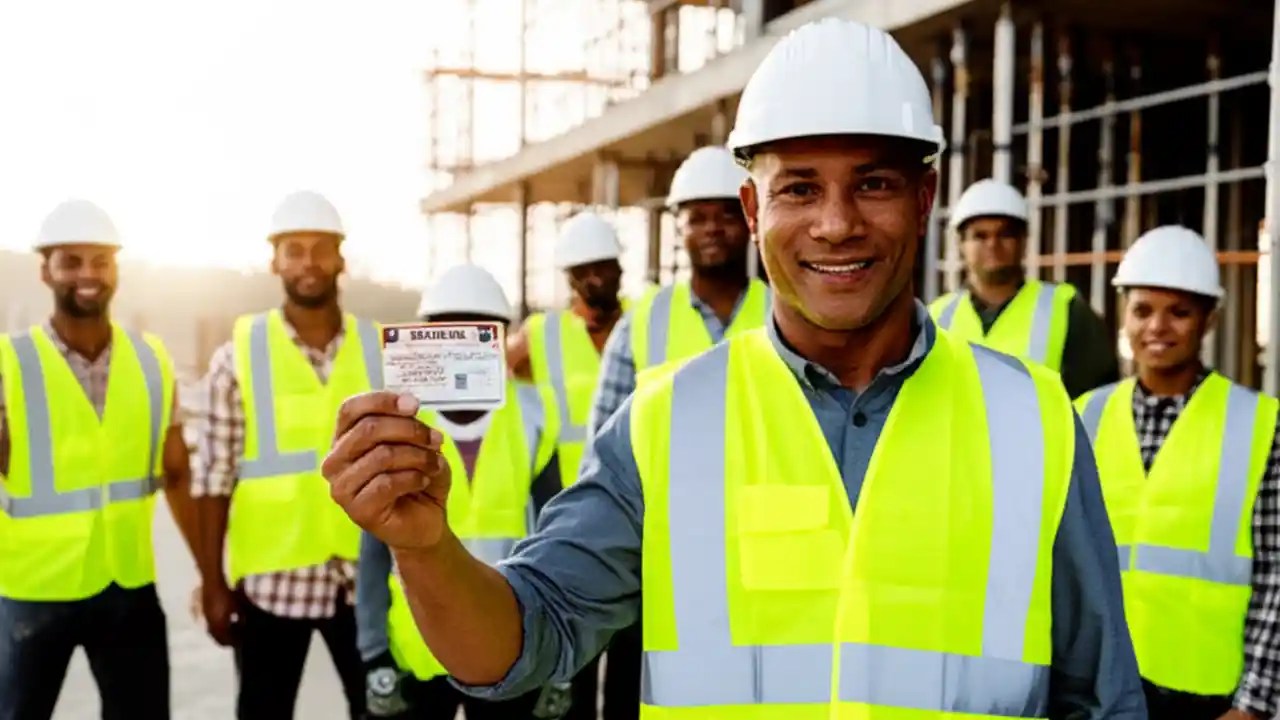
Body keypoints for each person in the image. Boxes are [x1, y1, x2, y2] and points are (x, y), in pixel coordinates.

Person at [321, 18, 1147, 718]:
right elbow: (515, 646)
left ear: (926, 198)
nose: (835, 224)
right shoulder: (663, 422)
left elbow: (1102, 698)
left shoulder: (1031, 417)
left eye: (874, 183)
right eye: (799, 189)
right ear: (754, 210)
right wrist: (425, 549)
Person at [0, 199, 198, 720]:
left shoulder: (152, 358)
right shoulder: (8, 362)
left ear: (116, 269)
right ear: (45, 271)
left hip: (127, 586)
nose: (88, 275)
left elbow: (177, 474)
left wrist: (212, 577)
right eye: (72, 261)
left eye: (100, 261)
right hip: (32, 591)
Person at [1075, 226, 1280, 720]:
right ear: (1124, 315)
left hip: (1206, 697)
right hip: (1095, 687)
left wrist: (1253, 704)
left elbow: (1276, 573)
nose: (1157, 328)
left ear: (1208, 320)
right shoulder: (1084, 415)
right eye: (1142, 310)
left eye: (1179, 312)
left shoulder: (1259, 424)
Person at [192, 190, 382, 719]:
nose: (308, 262)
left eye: (321, 249)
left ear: (341, 258)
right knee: (263, 711)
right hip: (273, 582)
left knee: (382, 712)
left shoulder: (380, 349)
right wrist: (212, 584)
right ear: (274, 260)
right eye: (294, 250)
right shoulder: (239, 354)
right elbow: (213, 476)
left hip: (364, 576)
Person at [357, 263, 569, 719]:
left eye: (476, 333)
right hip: (417, 652)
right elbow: (374, 550)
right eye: (446, 331)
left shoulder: (534, 414)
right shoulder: (399, 420)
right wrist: (374, 651)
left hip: (507, 644)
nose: (459, 347)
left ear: (500, 338)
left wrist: (559, 662)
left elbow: (556, 540)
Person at [587, 144, 768, 437]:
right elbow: (605, 440)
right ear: (679, 228)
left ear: (750, 219)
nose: (712, 229)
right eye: (697, 218)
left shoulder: (783, 311)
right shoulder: (643, 323)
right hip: (665, 486)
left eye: (727, 215)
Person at [929, 178, 1119, 397]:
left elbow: (1095, 402)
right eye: (980, 236)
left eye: (1005, 234)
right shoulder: (935, 317)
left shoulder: (1066, 309)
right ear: (961, 243)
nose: (993, 244)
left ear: (1023, 240)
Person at [509, 210, 627, 486]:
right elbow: (486, 371)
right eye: (583, 271)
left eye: (603, 267)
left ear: (619, 268)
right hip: (570, 487)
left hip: (642, 480)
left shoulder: (646, 318)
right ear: (570, 278)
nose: (595, 278)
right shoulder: (541, 333)